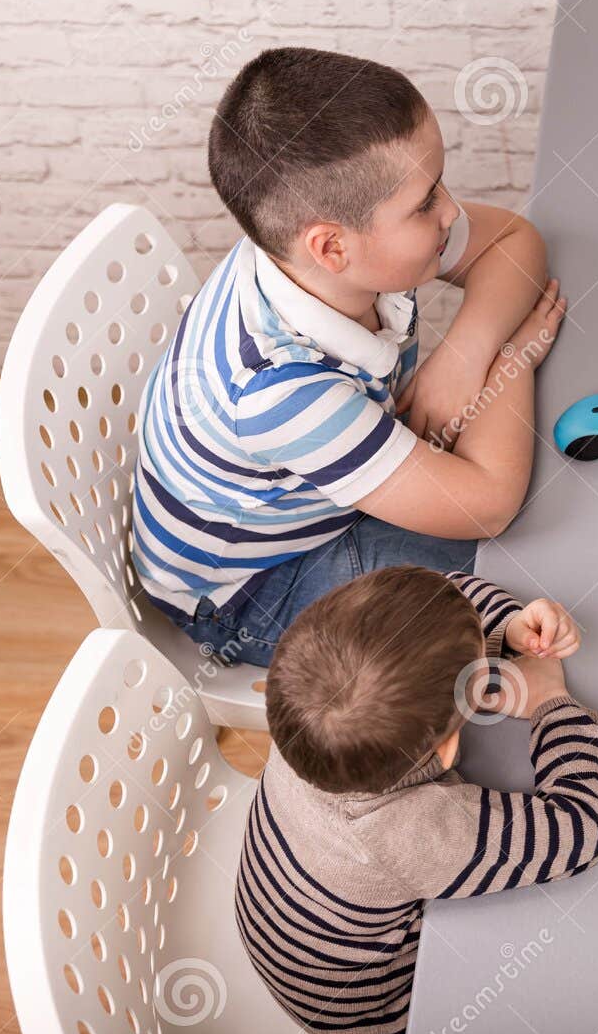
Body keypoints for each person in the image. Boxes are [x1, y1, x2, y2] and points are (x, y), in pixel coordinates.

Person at [132, 48, 565, 667]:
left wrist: (465, 353)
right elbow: (489, 506)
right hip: (258, 591)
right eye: (424, 203)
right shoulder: (278, 394)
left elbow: (514, 239)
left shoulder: (326, 255)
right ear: (330, 246)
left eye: (438, 182)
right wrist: (512, 358)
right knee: (529, 572)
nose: (450, 211)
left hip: (306, 494)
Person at [236, 566, 598, 1034]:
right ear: (445, 751)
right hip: (386, 1015)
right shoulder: (409, 834)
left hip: (289, 936)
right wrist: (550, 701)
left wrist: (507, 630)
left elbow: (447, 587)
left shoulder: (304, 698)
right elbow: (592, 823)